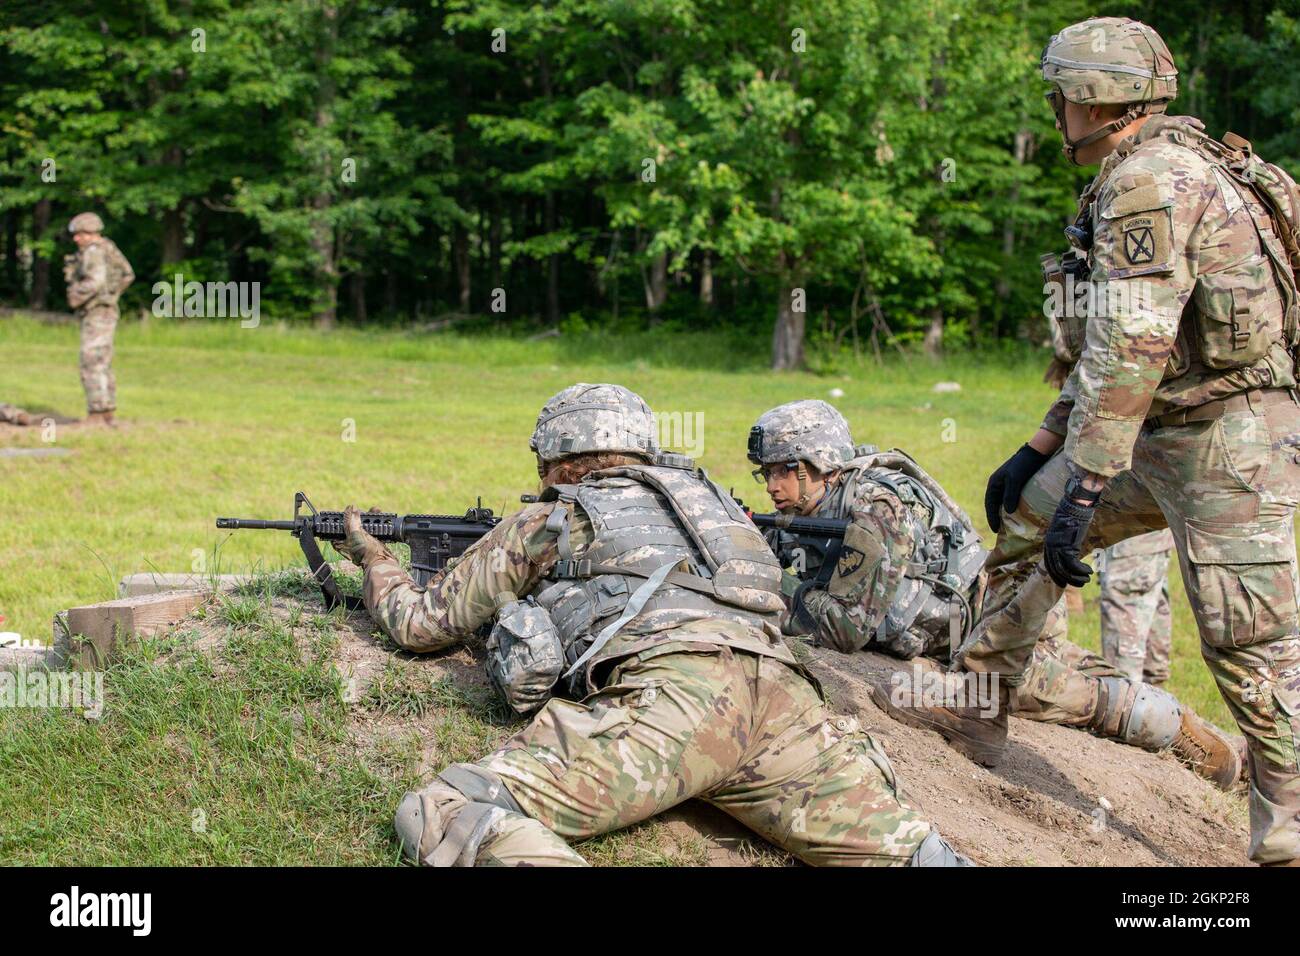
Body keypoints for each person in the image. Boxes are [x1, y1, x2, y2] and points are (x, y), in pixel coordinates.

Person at [882, 16, 1300, 866]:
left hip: (1230, 438)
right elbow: (1110, 344)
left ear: (1095, 99)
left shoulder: (1150, 182)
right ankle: (977, 703)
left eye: (1060, 94)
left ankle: (1286, 828)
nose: (1054, 107)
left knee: (1247, 640)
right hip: (1158, 425)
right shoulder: (1156, 166)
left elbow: (1137, 344)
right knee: (1027, 530)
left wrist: (1085, 484)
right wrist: (1043, 452)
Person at [331, 383, 967, 866]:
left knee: (444, 810)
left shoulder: (560, 512)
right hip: (790, 707)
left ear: (559, 456)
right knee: (919, 857)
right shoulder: (720, 508)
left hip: (671, 709)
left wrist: (374, 559)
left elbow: (420, 624)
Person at [748, 400, 1242, 790]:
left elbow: (844, 629)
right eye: (765, 473)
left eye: (781, 470)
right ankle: (1225, 745)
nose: (772, 484)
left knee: (1066, 696)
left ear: (819, 463)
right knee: (1079, 668)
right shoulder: (828, 499)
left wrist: (776, 583)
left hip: (994, 629)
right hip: (987, 616)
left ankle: (1200, 748)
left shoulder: (875, 508)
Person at [65, 212, 134, 425]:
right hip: (106, 310)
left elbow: (95, 282)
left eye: (79, 234)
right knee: (102, 360)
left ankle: (97, 412)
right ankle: (107, 412)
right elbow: (127, 274)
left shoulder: (93, 253)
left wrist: (75, 297)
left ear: (89, 233)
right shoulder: (109, 249)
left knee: (91, 360)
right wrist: (112, 295)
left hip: (97, 313)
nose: (76, 239)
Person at [1098, 529, 1175, 685]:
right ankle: (1154, 702)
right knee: (1152, 598)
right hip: (1155, 538)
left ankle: (1129, 702)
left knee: (1122, 679)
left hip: (1127, 541)